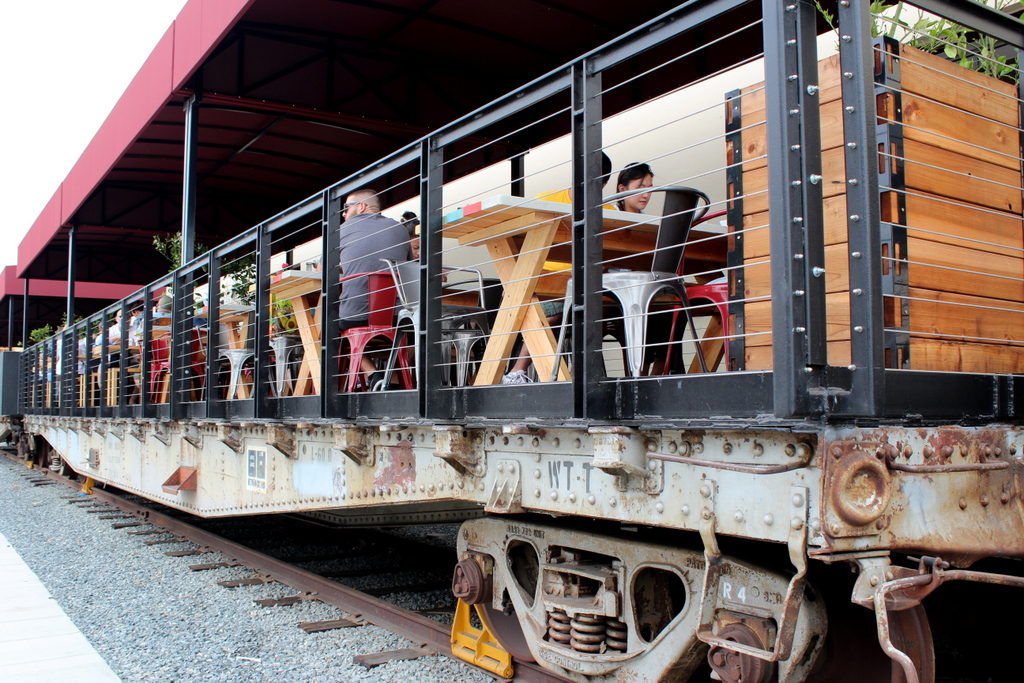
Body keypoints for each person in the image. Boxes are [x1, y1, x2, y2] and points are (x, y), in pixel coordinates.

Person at [502, 154, 615, 384]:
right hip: (544, 281)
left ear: (603, 184)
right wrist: (515, 278)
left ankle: (527, 371)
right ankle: (521, 371)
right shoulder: (545, 201)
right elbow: (519, 244)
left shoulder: (610, 210)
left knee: (588, 304)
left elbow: (609, 257)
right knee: (558, 306)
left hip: (582, 284)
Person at [338, 188, 413, 388]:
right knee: (410, 332)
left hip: (355, 317)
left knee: (324, 326)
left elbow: (322, 271)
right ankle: (394, 382)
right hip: (397, 316)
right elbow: (407, 267)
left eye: (346, 208)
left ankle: (372, 374)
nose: (344, 214)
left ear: (361, 206)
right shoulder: (400, 229)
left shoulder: (340, 231)